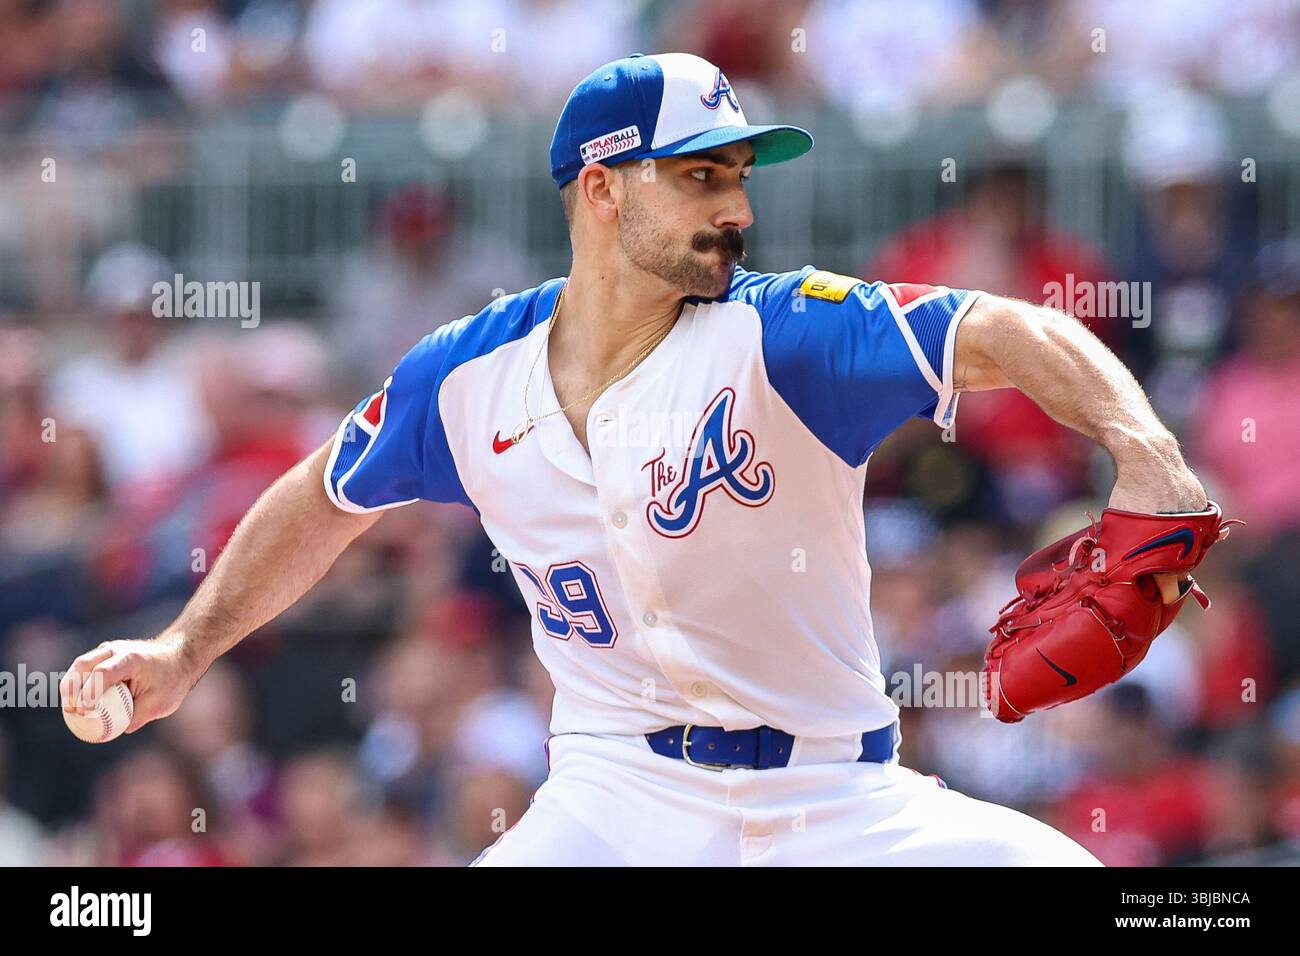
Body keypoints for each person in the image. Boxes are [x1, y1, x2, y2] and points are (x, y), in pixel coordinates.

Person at [62, 53, 1212, 866]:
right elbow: (323, 494)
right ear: (602, 190)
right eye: (701, 176)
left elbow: (1007, 328)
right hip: (619, 798)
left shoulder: (784, 331)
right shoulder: (465, 376)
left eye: (740, 176)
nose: (737, 207)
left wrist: (1146, 455)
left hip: (840, 796)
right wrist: (182, 645)